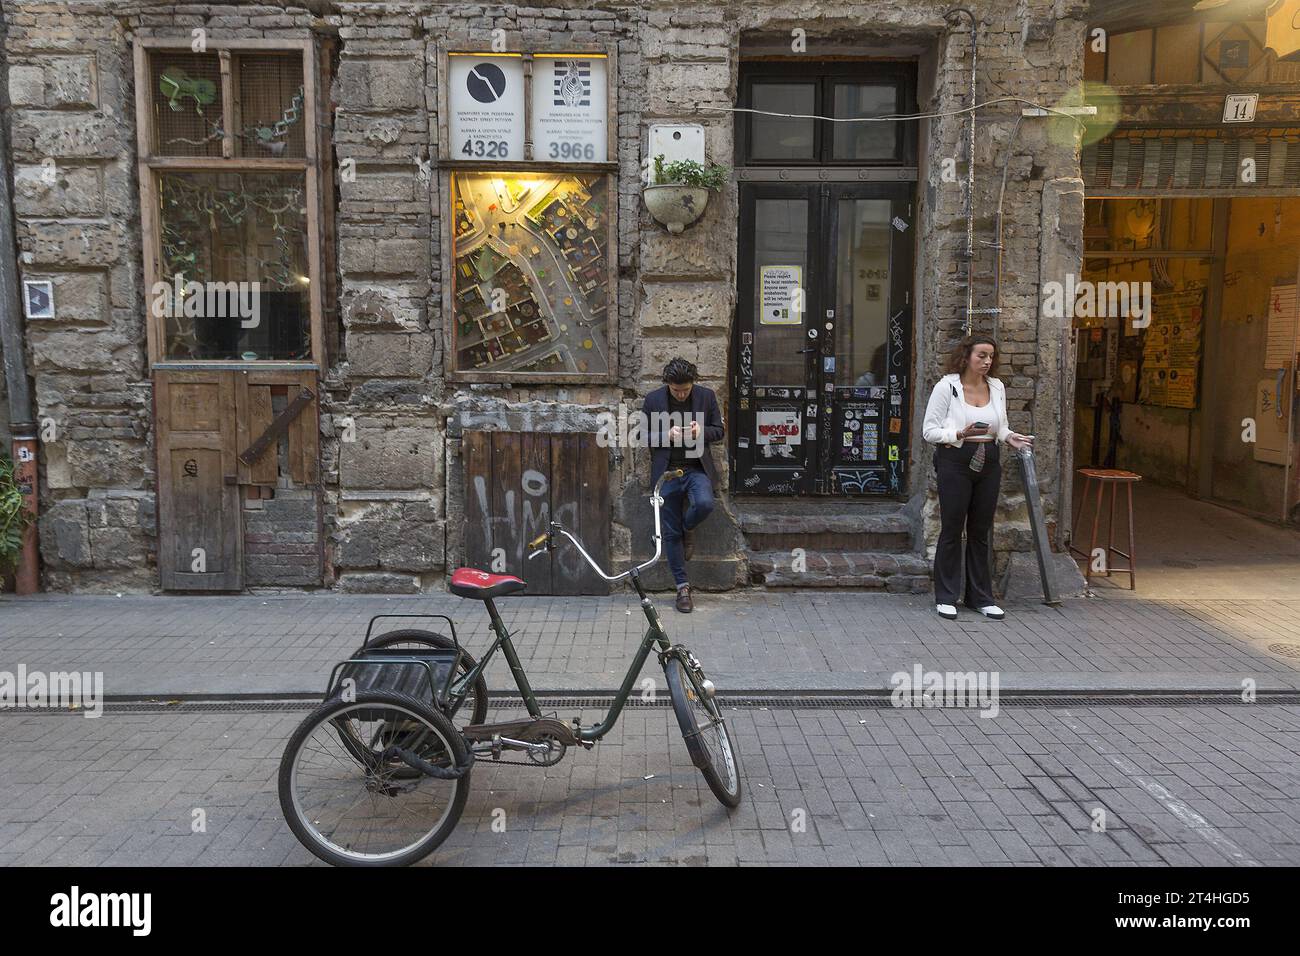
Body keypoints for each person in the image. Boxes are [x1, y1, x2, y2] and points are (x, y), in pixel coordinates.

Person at [921, 334, 1033, 621]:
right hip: (955, 460)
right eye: (981, 355)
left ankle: (980, 597)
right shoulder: (947, 386)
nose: (987, 361)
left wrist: (1011, 438)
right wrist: (958, 433)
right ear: (966, 356)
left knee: (981, 530)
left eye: (991, 356)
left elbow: (1001, 426)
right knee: (952, 527)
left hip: (989, 460)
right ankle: (946, 596)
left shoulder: (996, 387)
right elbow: (929, 431)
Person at [643, 357, 724, 613]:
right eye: (676, 390)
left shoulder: (706, 396)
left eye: (685, 390)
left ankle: (688, 526)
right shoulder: (653, 400)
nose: (680, 394)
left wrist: (701, 431)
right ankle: (682, 587)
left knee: (704, 503)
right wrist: (666, 435)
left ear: (693, 384)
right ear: (667, 384)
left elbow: (719, 431)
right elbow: (640, 435)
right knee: (670, 532)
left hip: (696, 469)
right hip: (666, 473)